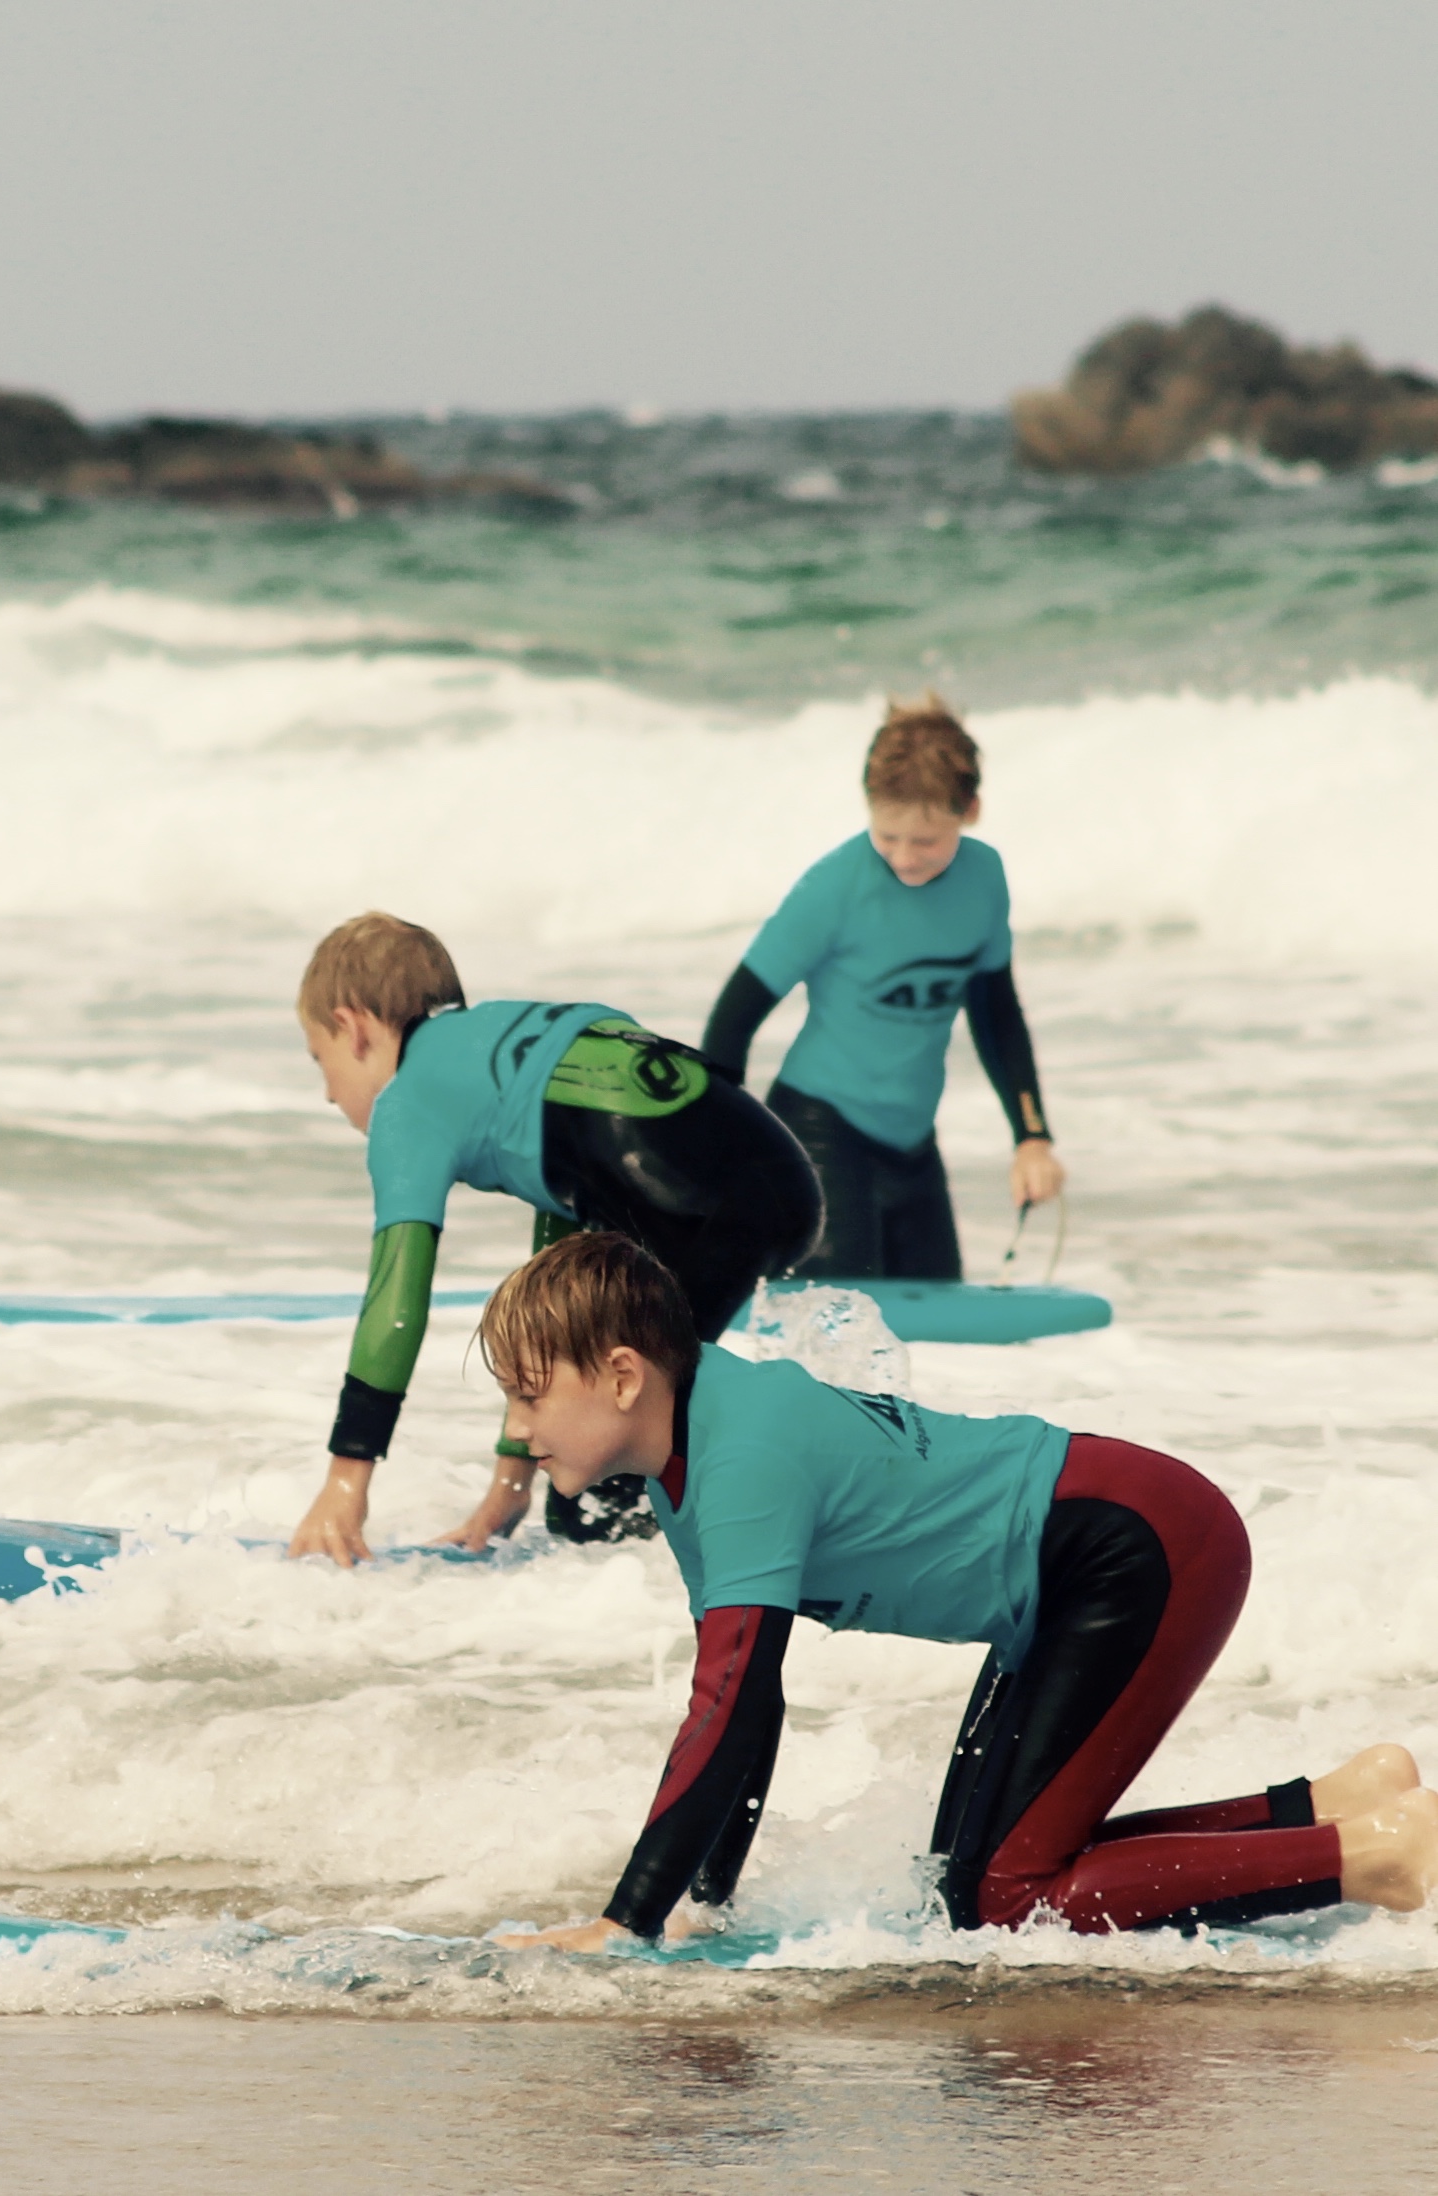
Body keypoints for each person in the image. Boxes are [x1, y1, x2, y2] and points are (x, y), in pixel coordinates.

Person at [476, 1232, 1433, 1950]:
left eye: (529, 1395)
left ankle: (1373, 1856)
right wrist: (705, 1908)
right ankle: (1329, 1807)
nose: (517, 1430)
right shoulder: (687, 1463)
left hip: (1131, 1547)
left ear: (622, 1376)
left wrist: (624, 1924)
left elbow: (723, 1708)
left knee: (1005, 1902)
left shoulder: (740, 1460)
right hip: (1073, 1570)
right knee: (965, 1892)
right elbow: (748, 1707)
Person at [292, 913, 819, 1564]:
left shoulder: (408, 1101)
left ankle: (755, 1549)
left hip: (694, 1201)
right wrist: (510, 1485)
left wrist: (347, 1482)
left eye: (322, 1061)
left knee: (594, 1501)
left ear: (355, 1028)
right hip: (777, 1182)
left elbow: (395, 1308)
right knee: (631, 1435)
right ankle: (784, 1498)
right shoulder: (515, 1053)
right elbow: (555, 1307)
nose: (326, 1093)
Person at [702, 697, 1061, 1279]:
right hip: (818, 1133)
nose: (903, 857)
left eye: (926, 842)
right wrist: (723, 1148)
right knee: (835, 1331)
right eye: (887, 835)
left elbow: (996, 1012)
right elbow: (736, 1015)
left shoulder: (984, 879)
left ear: (970, 810)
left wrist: (1032, 1136)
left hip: (913, 1145)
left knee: (936, 1335)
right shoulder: (835, 887)